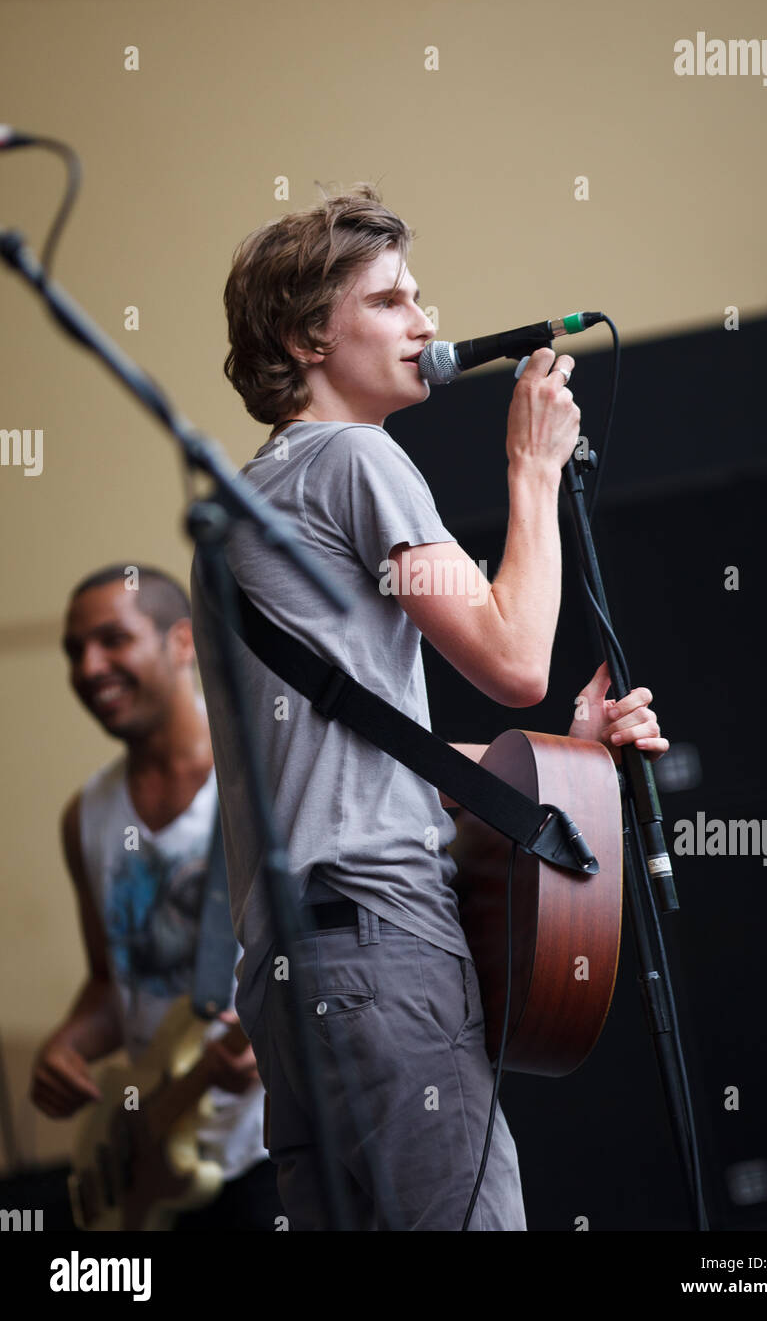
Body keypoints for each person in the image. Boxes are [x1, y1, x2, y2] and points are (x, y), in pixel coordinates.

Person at [190, 184, 669, 1231]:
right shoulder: (356, 459)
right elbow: (511, 659)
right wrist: (530, 470)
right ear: (306, 335)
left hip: (289, 975)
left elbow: (343, 747)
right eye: (392, 301)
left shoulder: (242, 509)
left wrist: (564, 752)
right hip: (383, 947)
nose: (426, 323)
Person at [30, 565, 282, 1230]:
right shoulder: (84, 815)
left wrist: (284, 1035)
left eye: (113, 639)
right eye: (74, 650)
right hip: (145, 1160)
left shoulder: (264, 780)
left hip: (270, 1153)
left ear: (182, 643)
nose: (89, 666)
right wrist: (66, 1045)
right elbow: (111, 984)